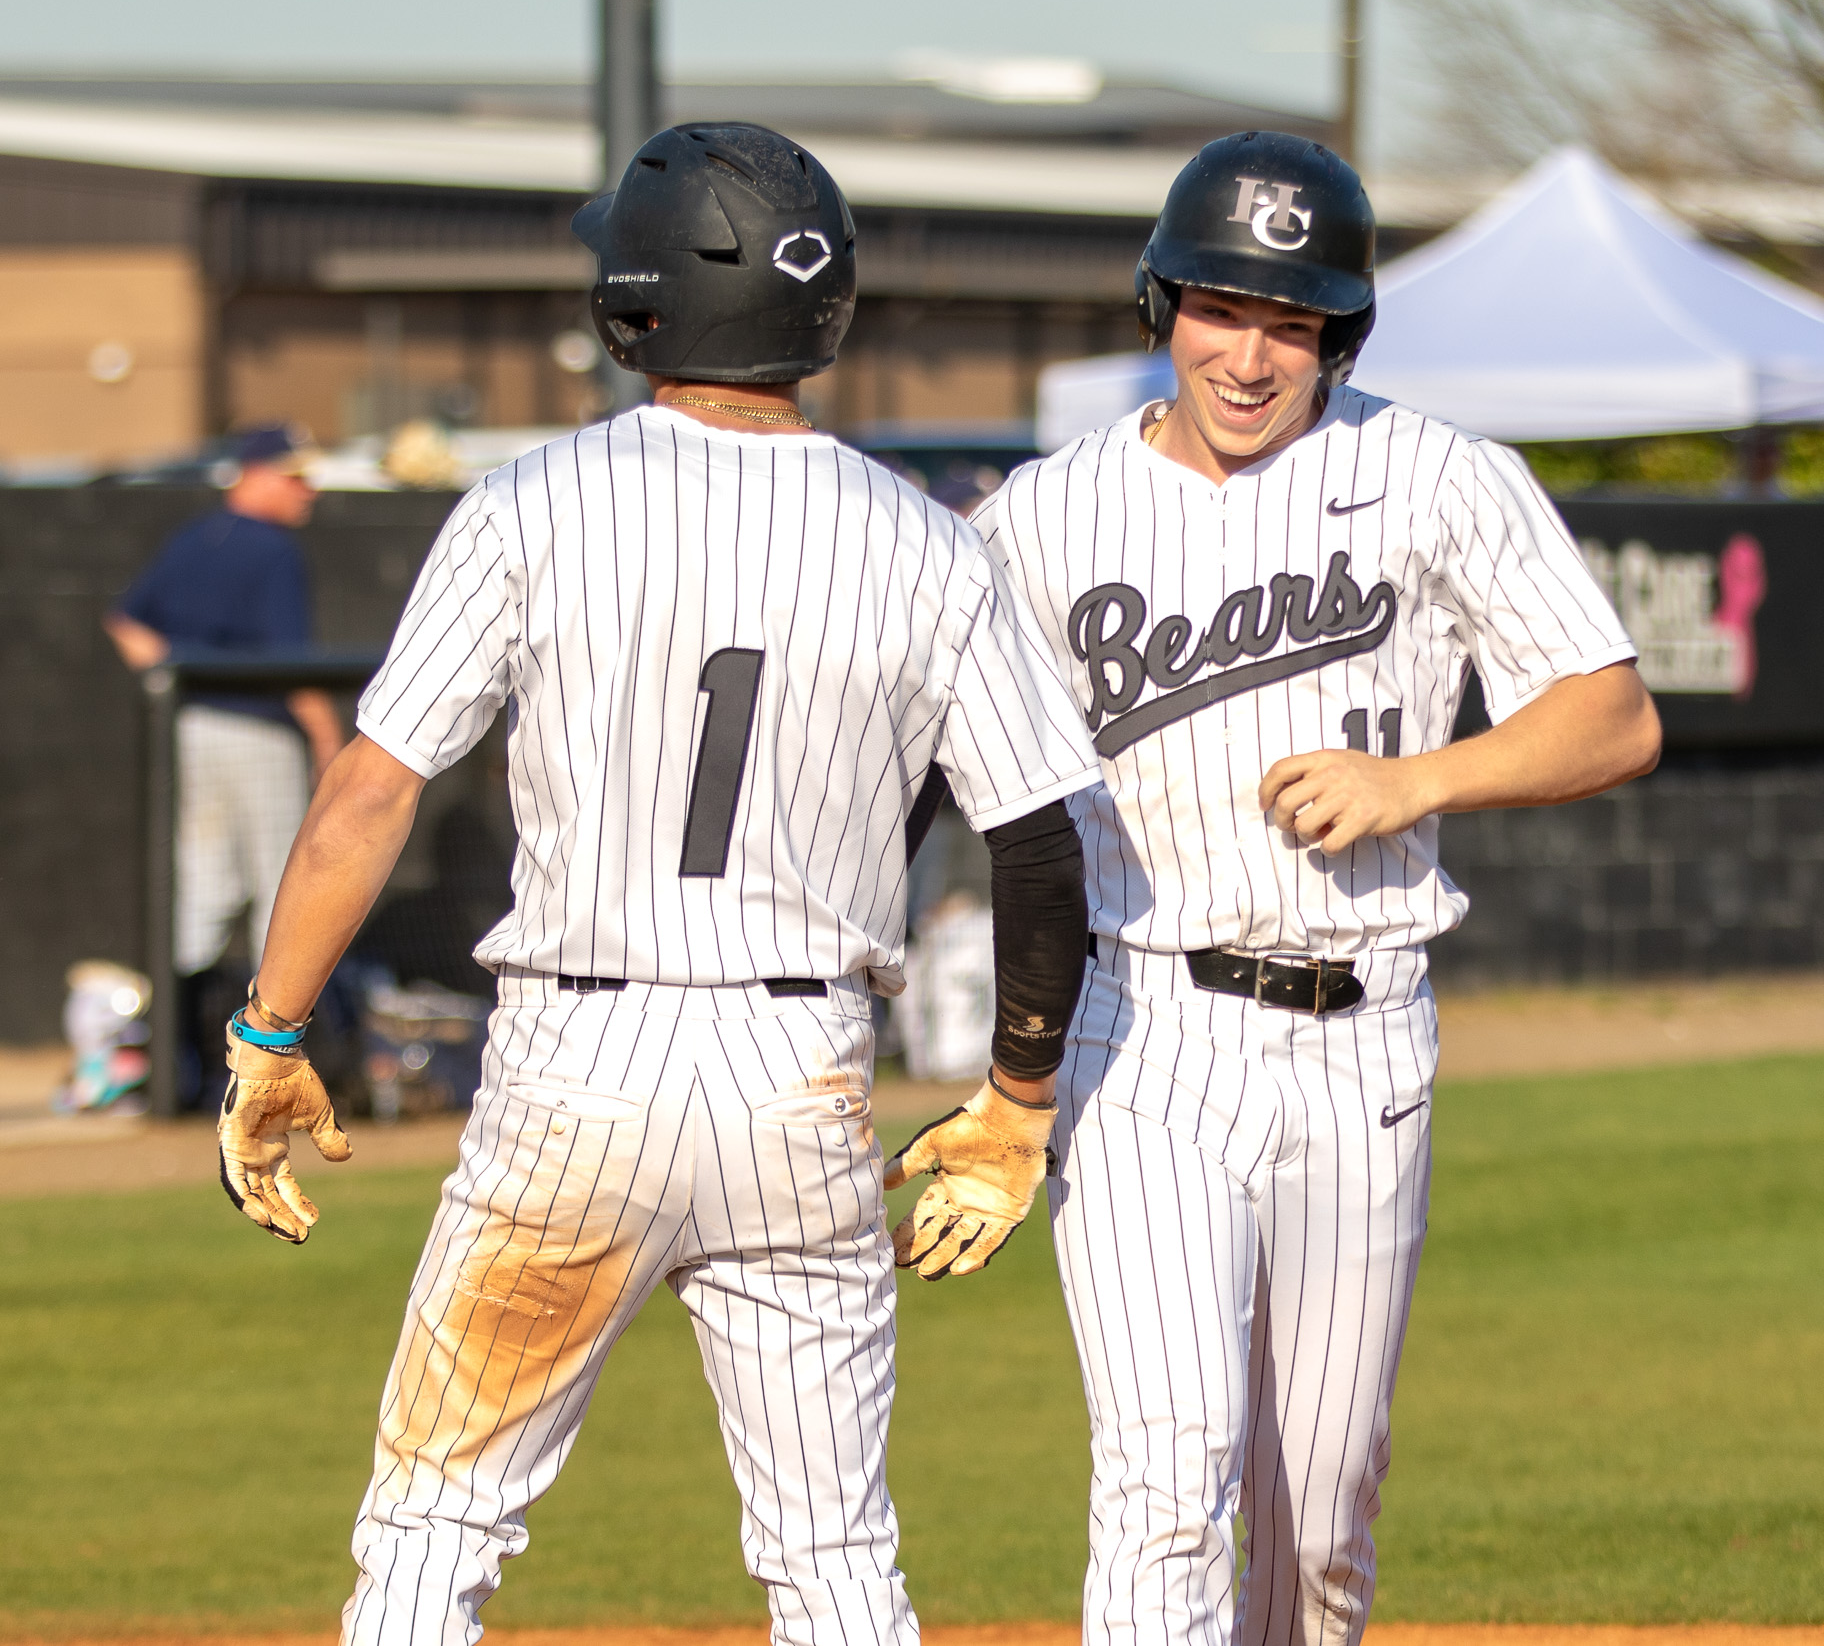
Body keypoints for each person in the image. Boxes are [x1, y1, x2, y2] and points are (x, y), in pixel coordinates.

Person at [211, 123, 1103, 1646]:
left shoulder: (528, 503)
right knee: (831, 1554)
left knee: (438, 1525)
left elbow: (369, 786)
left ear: (639, 303)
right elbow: (1035, 841)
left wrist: (275, 1031)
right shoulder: (927, 542)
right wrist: (1020, 1099)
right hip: (798, 1077)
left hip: (580, 1063)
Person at [959, 132, 1664, 1646]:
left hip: (1366, 1037)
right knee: (1167, 1476)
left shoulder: (1438, 475)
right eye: (1222, 307)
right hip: (1143, 1026)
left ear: (1339, 331)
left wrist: (1422, 781)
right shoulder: (1041, 516)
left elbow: (1612, 713)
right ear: (1164, 305)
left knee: (1324, 1508)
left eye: (1292, 321)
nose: (1251, 352)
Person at [104, 423, 345, 1107]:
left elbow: (126, 623)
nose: (308, 491)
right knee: (286, 893)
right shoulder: (271, 548)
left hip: (191, 726)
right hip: (255, 732)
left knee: (204, 895)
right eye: (295, 477)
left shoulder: (194, 539)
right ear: (254, 474)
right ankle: (281, 1067)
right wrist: (328, 744)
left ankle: (174, 1064)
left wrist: (171, 677)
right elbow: (291, 666)